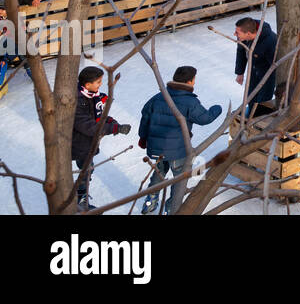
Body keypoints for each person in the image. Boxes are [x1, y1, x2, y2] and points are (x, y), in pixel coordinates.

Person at [137, 65, 223, 214]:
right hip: (178, 151)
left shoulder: (159, 97)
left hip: (156, 149)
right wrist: (217, 109)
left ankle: (150, 201)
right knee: (179, 180)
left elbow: (145, 117)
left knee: (158, 174)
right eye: (194, 80)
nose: (195, 83)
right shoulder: (190, 102)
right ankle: (172, 207)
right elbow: (204, 118)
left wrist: (143, 137)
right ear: (189, 82)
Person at [72, 66, 131, 212]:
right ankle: (79, 199)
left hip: (87, 142)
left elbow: (99, 116)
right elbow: (89, 126)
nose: (101, 84)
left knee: (87, 170)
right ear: (87, 85)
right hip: (78, 143)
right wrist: (113, 129)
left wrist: (112, 123)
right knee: (86, 170)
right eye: (98, 82)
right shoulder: (78, 101)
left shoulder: (92, 96)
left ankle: (80, 196)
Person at [234, 18, 278, 116]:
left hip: (268, 73)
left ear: (248, 34)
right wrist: (240, 72)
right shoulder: (243, 36)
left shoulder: (270, 42)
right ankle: (250, 115)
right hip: (254, 68)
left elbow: (277, 65)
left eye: (237, 33)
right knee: (250, 96)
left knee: (262, 101)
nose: (235, 35)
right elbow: (241, 51)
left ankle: (258, 120)